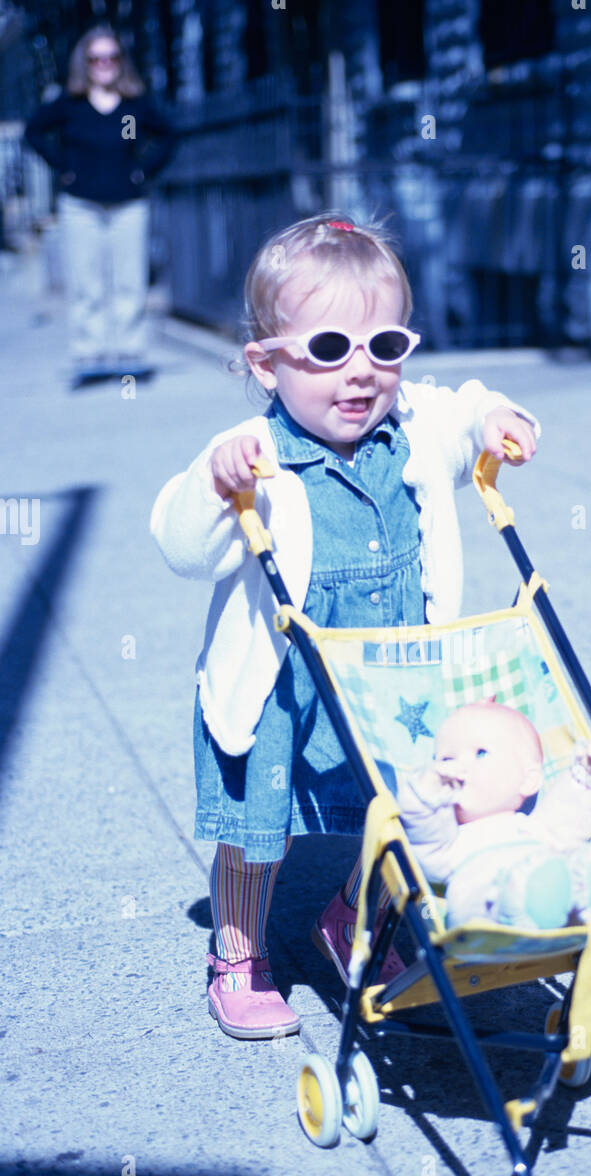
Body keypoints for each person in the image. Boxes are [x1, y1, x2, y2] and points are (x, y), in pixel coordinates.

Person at [150, 214, 539, 1041]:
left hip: (390, 675)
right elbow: (178, 547)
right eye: (328, 350)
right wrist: (216, 486)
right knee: (256, 830)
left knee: (412, 806)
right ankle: (239, 954)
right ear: (266, 364)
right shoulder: (251, 448)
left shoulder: (413, 425)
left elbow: (464, 408)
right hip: (279, 683)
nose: (359, 373)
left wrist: (499, 419)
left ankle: (356, 919)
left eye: (385, 346)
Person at [397, 699, 591, 930]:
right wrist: (427, 794)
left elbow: (569, 815)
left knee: (571, 866)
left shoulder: (533, 826)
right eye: (446, 759)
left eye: (481, 753)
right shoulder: (449, 841)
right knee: (526, 883)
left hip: (548, 885)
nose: (459, 766)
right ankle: (534, 895)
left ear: (529, 780)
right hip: (484, 914)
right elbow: (423, 834)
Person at [24, 24, 175, 385]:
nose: (104, 65)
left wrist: (143, 170)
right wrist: (64, 168)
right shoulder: (69, 104)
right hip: (80, 204)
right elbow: (34, 132)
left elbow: (167, 135)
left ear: (121, 62)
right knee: (86, 281)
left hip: (128, 203)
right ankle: (89, 355)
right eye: (96, 59)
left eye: (111, 57)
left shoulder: (132, 106)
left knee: (128, 280)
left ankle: (129, 353)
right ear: (85, 63)